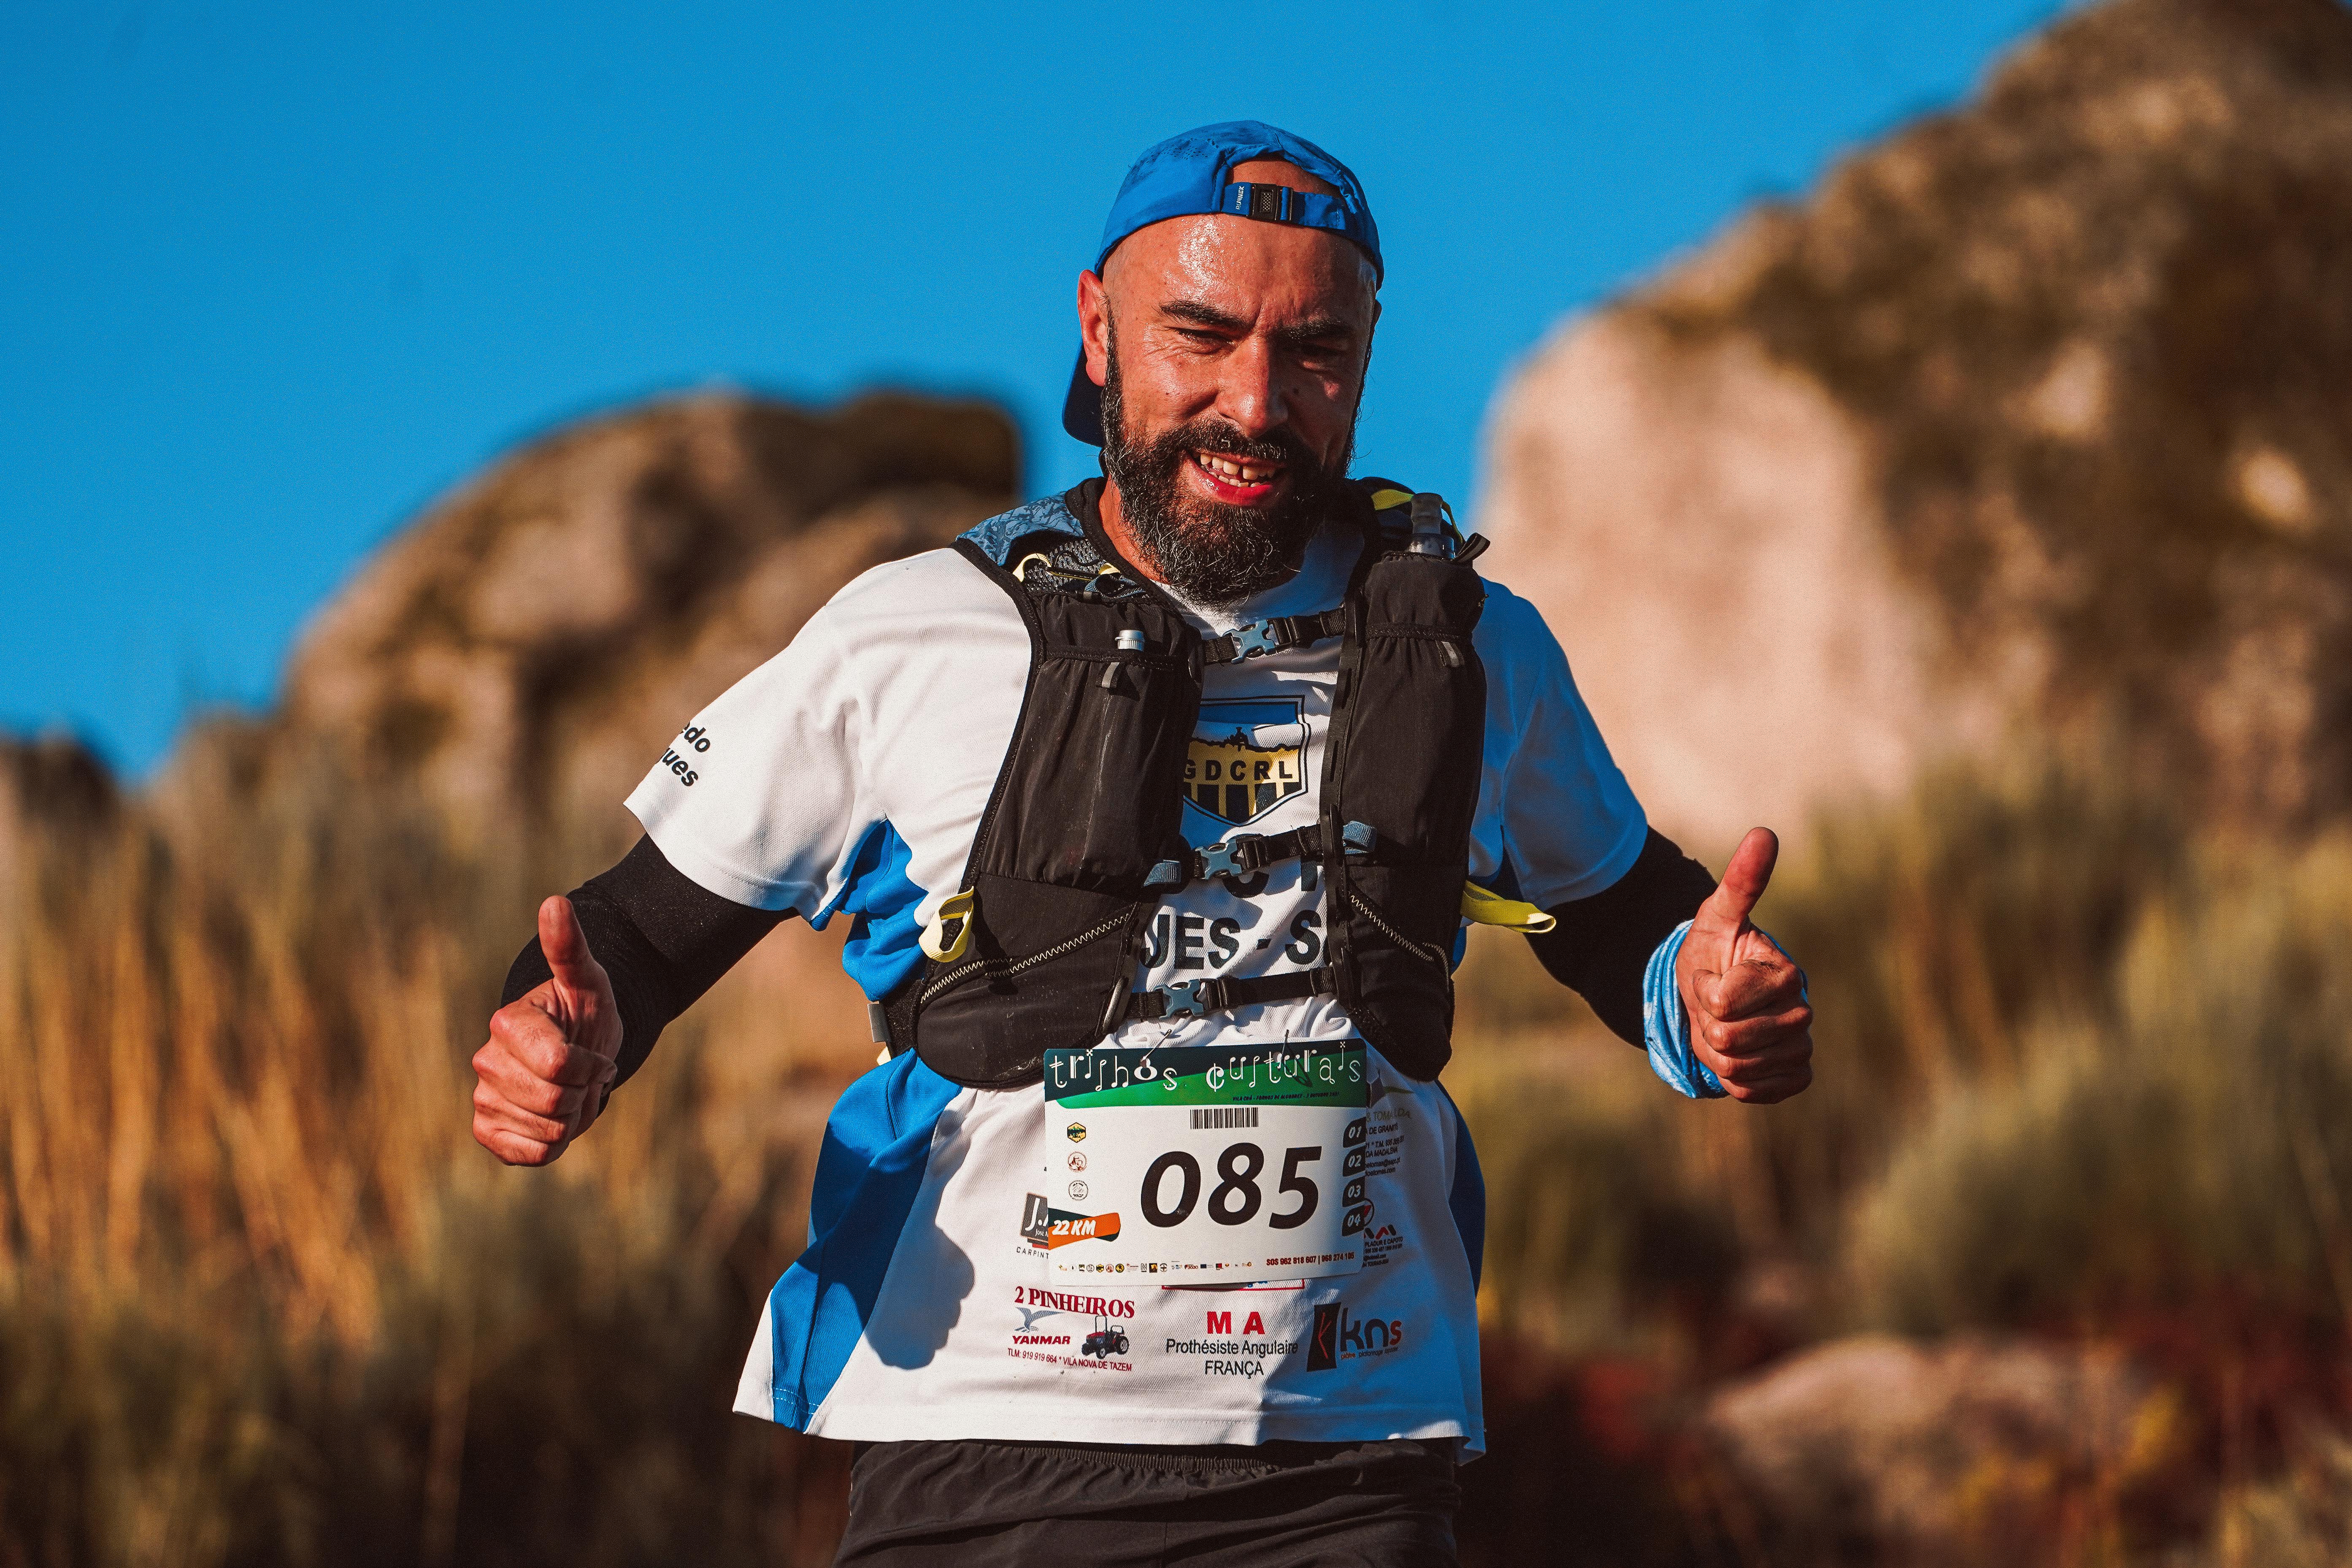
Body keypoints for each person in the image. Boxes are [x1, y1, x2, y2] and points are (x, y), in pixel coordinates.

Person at [469, 121, 1813, 1567]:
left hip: (1351, 1462)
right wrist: (560, 1035)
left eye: (1315, 352)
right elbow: (636, 935)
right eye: (1203, 334)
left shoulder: (1479, 646)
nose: (1257, 400)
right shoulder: (907, 636)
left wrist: (1714, 1000)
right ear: (1098, 330)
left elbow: (1629, 921)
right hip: (982, 1457)